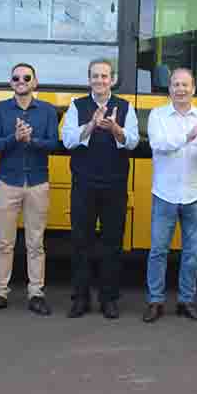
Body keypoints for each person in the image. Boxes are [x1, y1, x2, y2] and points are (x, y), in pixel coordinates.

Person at [62, 59, 138, 319]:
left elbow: (132, 142)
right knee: (80, 242)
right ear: (89, 80)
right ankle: (80, 299)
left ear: (112, 80)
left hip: (115, 184)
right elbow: (68, 141)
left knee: (112, 243)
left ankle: (109, 299)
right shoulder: (77, 105)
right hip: (83, 183)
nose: (100, 81)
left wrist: (115, 129)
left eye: (104, 76)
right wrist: (92, 125)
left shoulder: (125, 106)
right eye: (95, 76)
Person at [0, 63, 59, 315]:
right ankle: (0, 292)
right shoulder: (0, 109)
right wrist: (14, 138)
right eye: (16, 78)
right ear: (11, 83)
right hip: (8, 182)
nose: (21, 81)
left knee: (35, 242)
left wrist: (31, 140)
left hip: (38, 183)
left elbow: (54, 145)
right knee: (4, 242)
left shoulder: (47, 110)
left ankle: (36, 293)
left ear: (35, 82)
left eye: (26, 77)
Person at [145, 68, 197, 323]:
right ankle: (155, 301)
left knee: (192, 254)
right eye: (176, 84)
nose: (181, 89)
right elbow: (158, 145)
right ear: (170, 89)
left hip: (194, 194)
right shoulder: (157, 115)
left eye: (185, 85)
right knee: (158, 251)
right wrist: (189, 135)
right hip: (164, 193)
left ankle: (187, 301)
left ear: (193, 89)